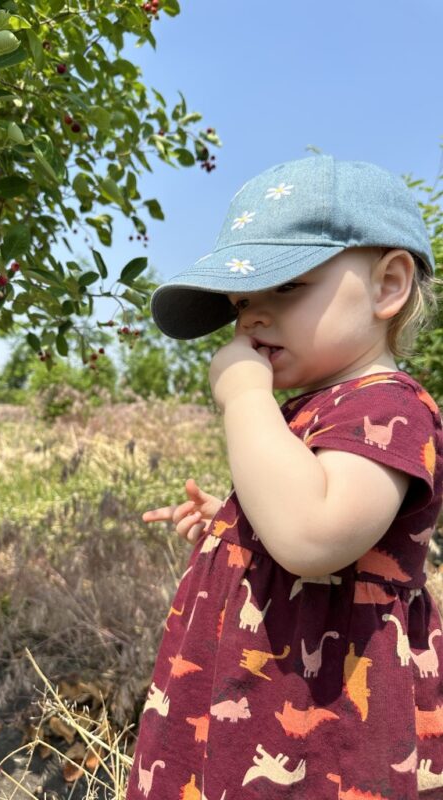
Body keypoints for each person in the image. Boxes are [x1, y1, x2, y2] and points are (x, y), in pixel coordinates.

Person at [124, 155, 443, 799]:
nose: (251, 319)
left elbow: (312, 535)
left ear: (388, 286)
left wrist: (244, 398)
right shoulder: (308, 409)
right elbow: (300, 514)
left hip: (323, 719)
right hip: (258, 690)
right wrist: (237, 526)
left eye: (287, 286)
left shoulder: (392, 406)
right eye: (242, 301)